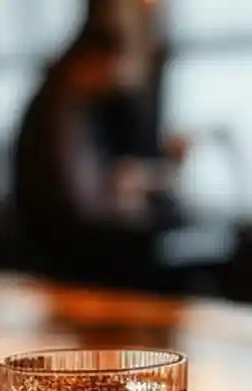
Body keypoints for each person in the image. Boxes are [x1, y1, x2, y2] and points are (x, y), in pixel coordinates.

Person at [12, 22, 167, 288]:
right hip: (58, 252)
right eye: (110, 66)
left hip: (62, 244)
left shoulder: (73, 107)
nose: (113, 77)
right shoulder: (56, 112)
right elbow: (74, 197)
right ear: (91, 60)